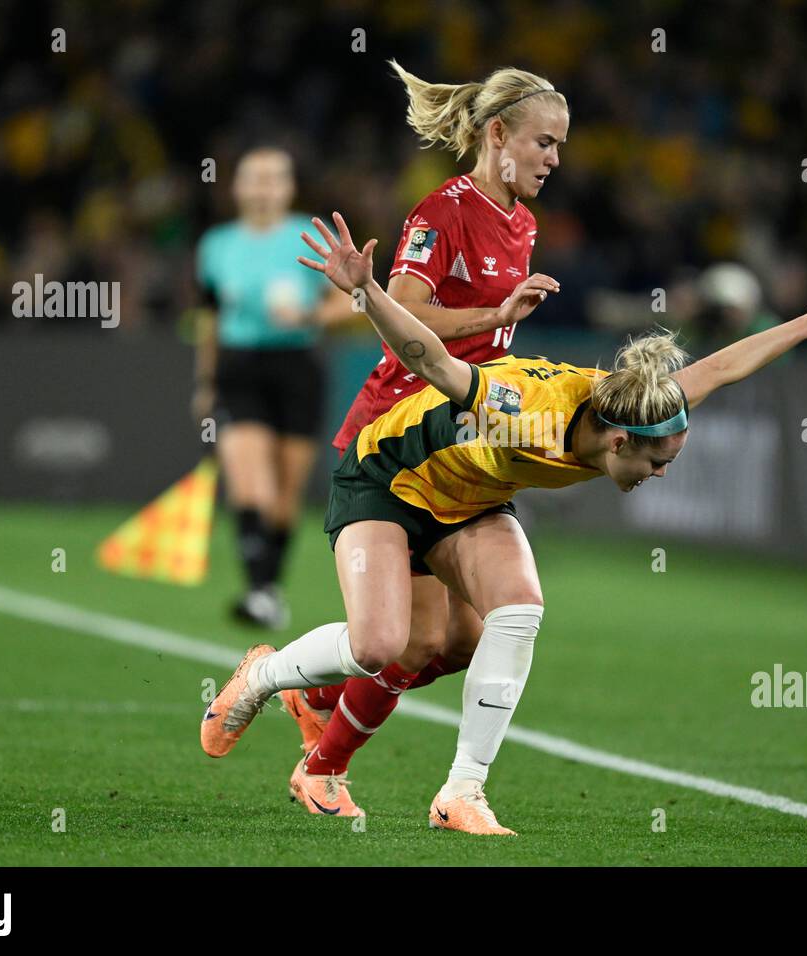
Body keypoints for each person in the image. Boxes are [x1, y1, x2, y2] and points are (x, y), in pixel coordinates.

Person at [200, 211, 807, 834]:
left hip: (468, 498)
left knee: (503, 618)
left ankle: (461, 793)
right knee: (385, 643)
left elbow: (723, 367)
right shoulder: (528, 412)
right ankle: (264, 677)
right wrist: (366, 293)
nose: (663, 472)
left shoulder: (641, 409)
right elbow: (429, 360)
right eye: (658, 463)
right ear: (618, 444)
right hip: (390, 479)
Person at [279, 60, 568, 818]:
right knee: (400, 643)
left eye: (560, 146)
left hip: (464, 449)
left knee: (462, 644)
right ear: (498, 135)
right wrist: (489, 315)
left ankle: (328, 702)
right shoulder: (442, 213)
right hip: (398, 438)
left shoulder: (522, 221)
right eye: (543, 142)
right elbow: (402, 316)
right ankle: (305, 717)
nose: (554, 160)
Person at [193, 147, 353, 629]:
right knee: (251, 487)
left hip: (298, 367)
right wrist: (204, 380)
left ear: (288, 188)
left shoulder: (309, 235)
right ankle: (258, 590)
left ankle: (269, 589)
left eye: (273, 178)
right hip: (240, 368)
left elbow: (356, 301)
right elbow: (210, 318)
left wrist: (308, 314)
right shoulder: (217, 245)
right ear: (237, 187)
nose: (263, 187)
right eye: (254, 178)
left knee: (285, 494)